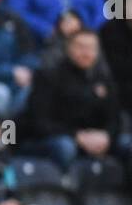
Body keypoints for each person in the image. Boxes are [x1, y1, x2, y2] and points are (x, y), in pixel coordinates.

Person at [21, 28, 118, 168]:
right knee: (65, 146)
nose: (86, 53)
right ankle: (62, 183)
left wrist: (107, 135)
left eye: (91, 48)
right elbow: (39, 122)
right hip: (51, 138)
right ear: (68, 48)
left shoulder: (104, 80)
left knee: (125, 142)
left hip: (92, 137)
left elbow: (114, 117)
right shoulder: (49, 76)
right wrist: (77, 136)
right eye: (80, 47)